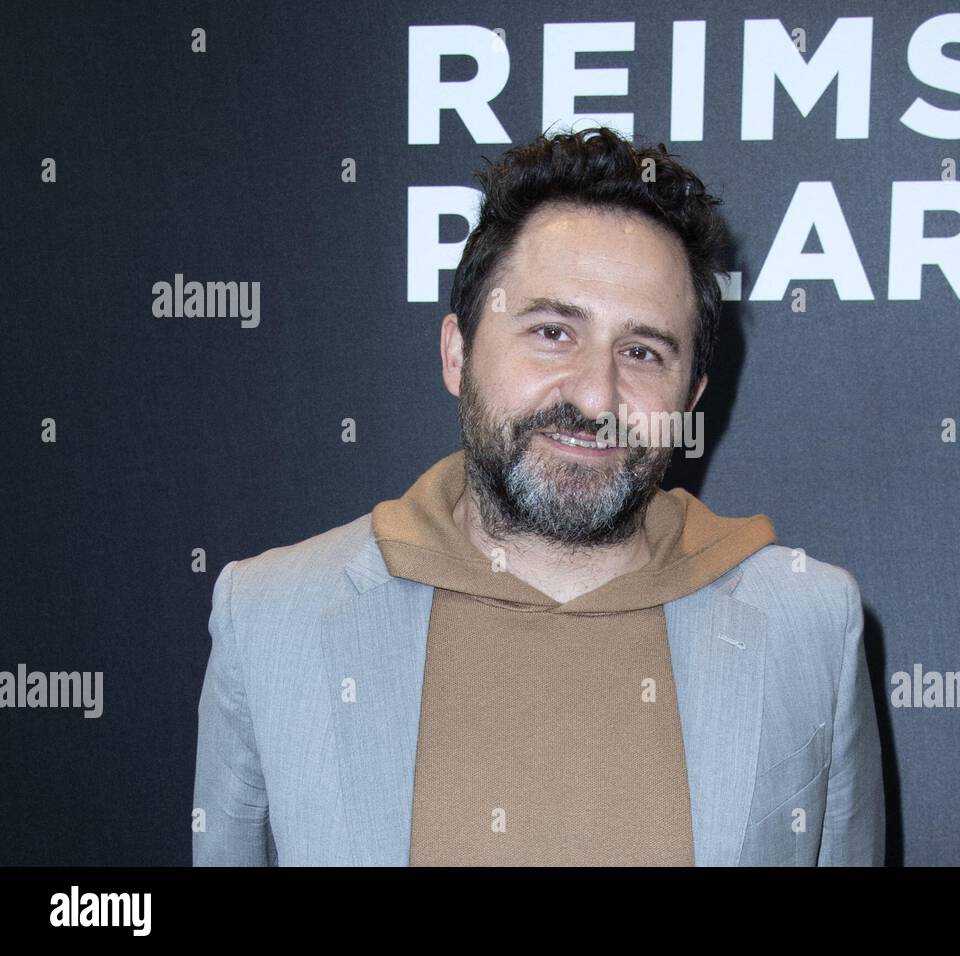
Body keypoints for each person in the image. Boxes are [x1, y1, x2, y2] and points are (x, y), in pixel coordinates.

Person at [192, 126, 885, 866]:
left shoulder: (811, 624)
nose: (596, 393)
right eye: (554, 331)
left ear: (692, 396)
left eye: (644, 352)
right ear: (457, 354)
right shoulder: (271, 618)